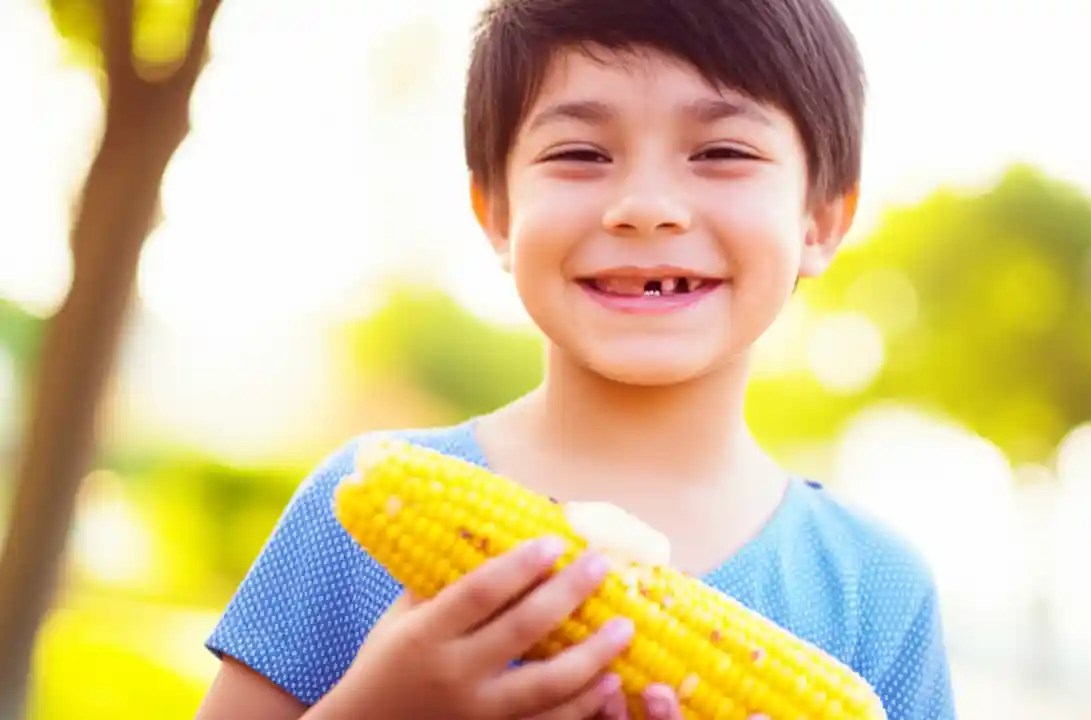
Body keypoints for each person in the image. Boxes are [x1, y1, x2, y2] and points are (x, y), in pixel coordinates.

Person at [195, 0, 956, 717]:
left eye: (722, 151)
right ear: (496, 214)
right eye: (582, 152)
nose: (646, 205)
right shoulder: (353, 511)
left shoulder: (876, 588)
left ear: (820, 221)